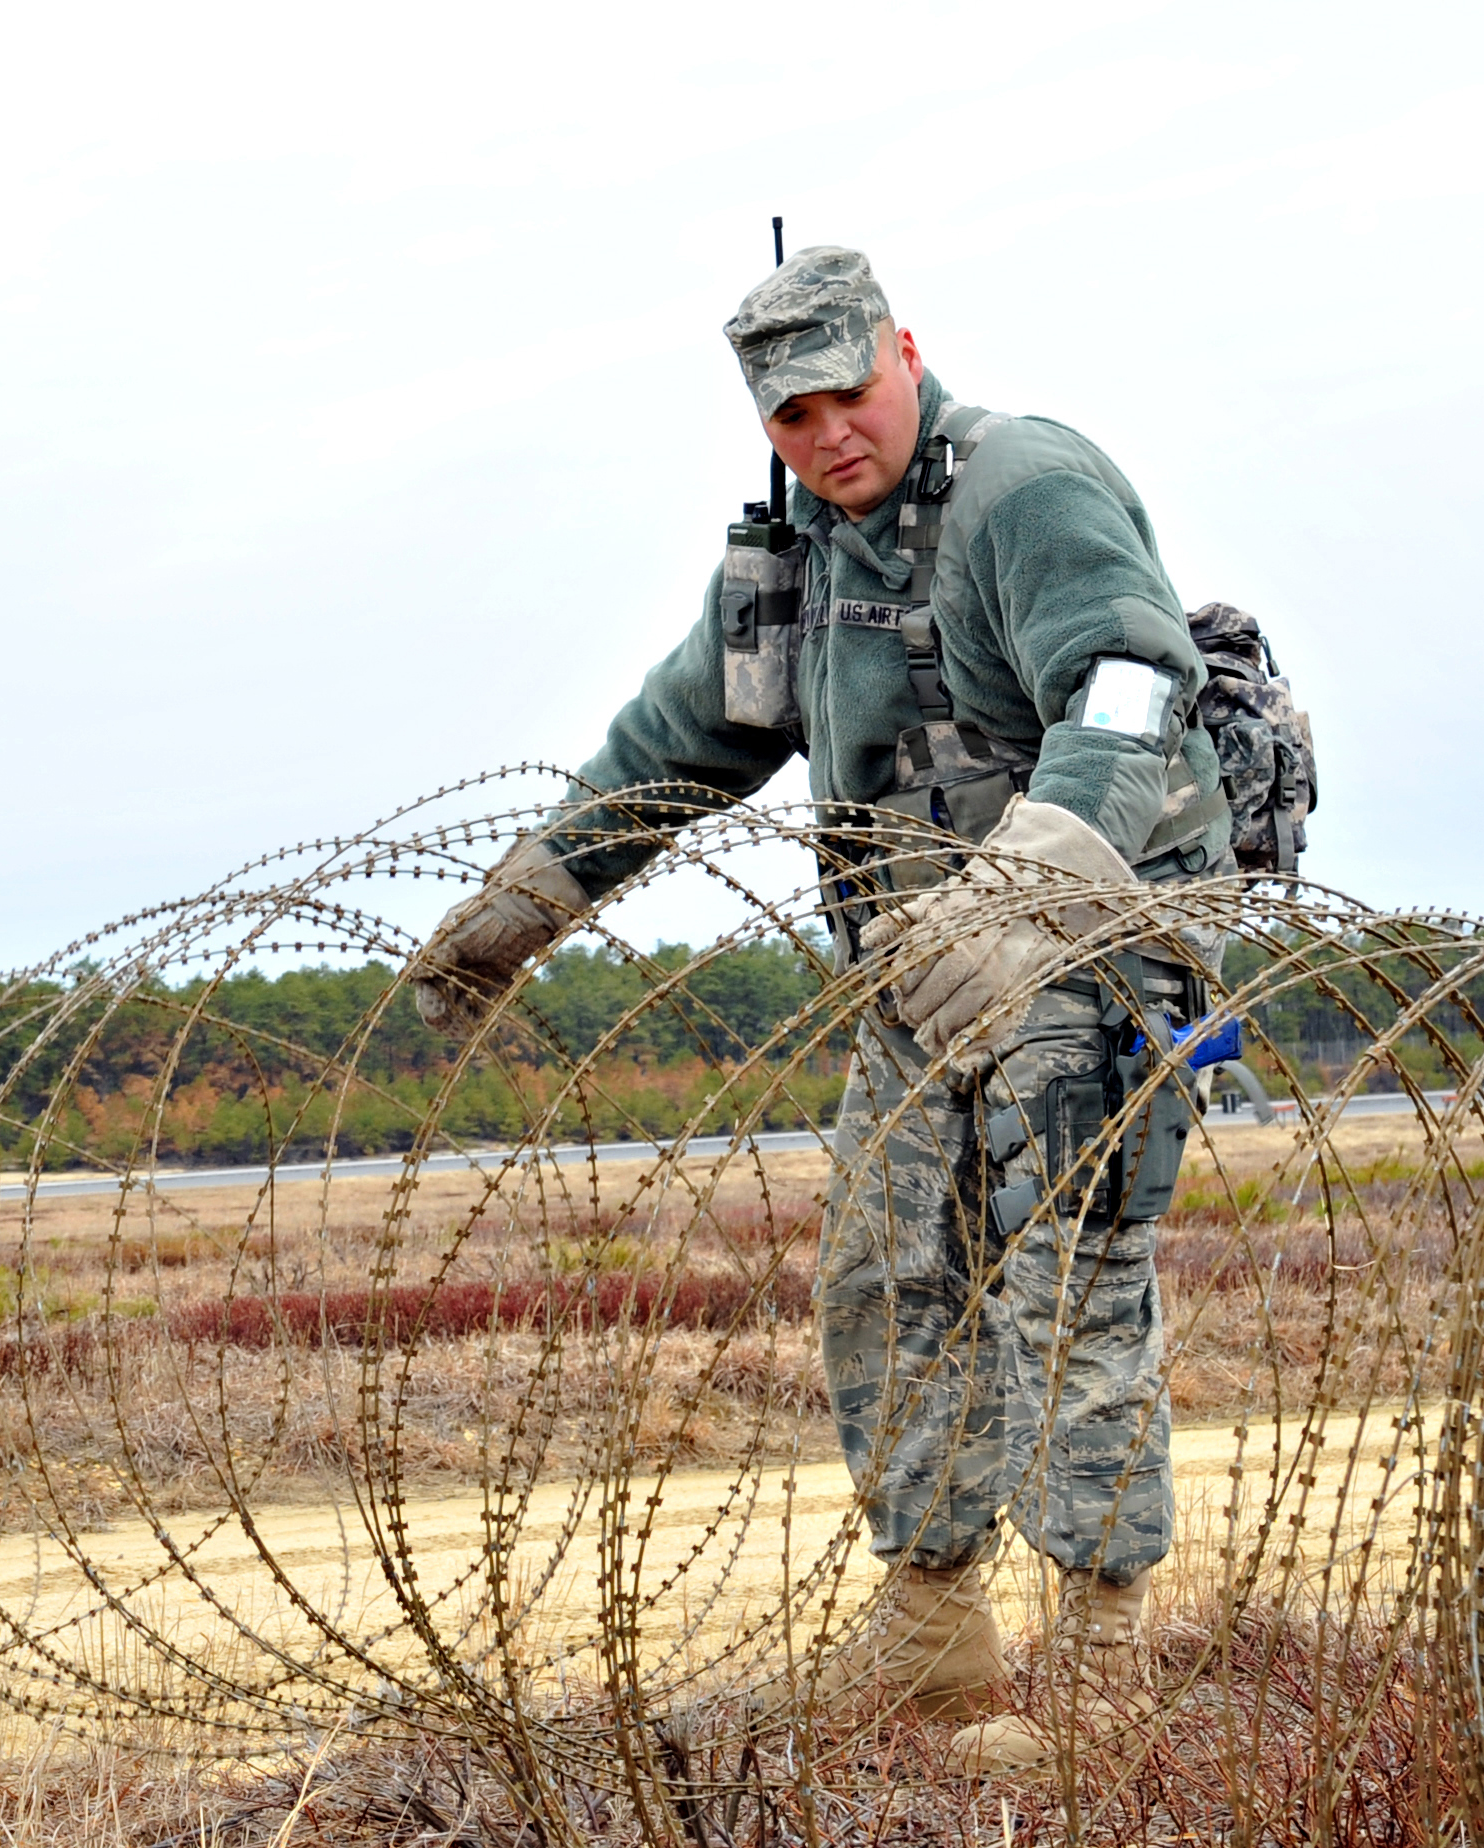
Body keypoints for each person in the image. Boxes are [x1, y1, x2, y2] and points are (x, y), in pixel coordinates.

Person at [405, 246, 1229, 1775]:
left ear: (905, 352)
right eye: (794, 416)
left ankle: (1107, 1658)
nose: (832, 432)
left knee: (1070, 1287)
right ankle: (934, 1645)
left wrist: (1026, 886)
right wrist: (534, 900)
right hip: (918, 969)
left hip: (1091, 939)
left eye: (850, 392)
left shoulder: (1025, 486)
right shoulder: (804, 548)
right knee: (888, 1279)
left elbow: (1127, 681)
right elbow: (688, 731)